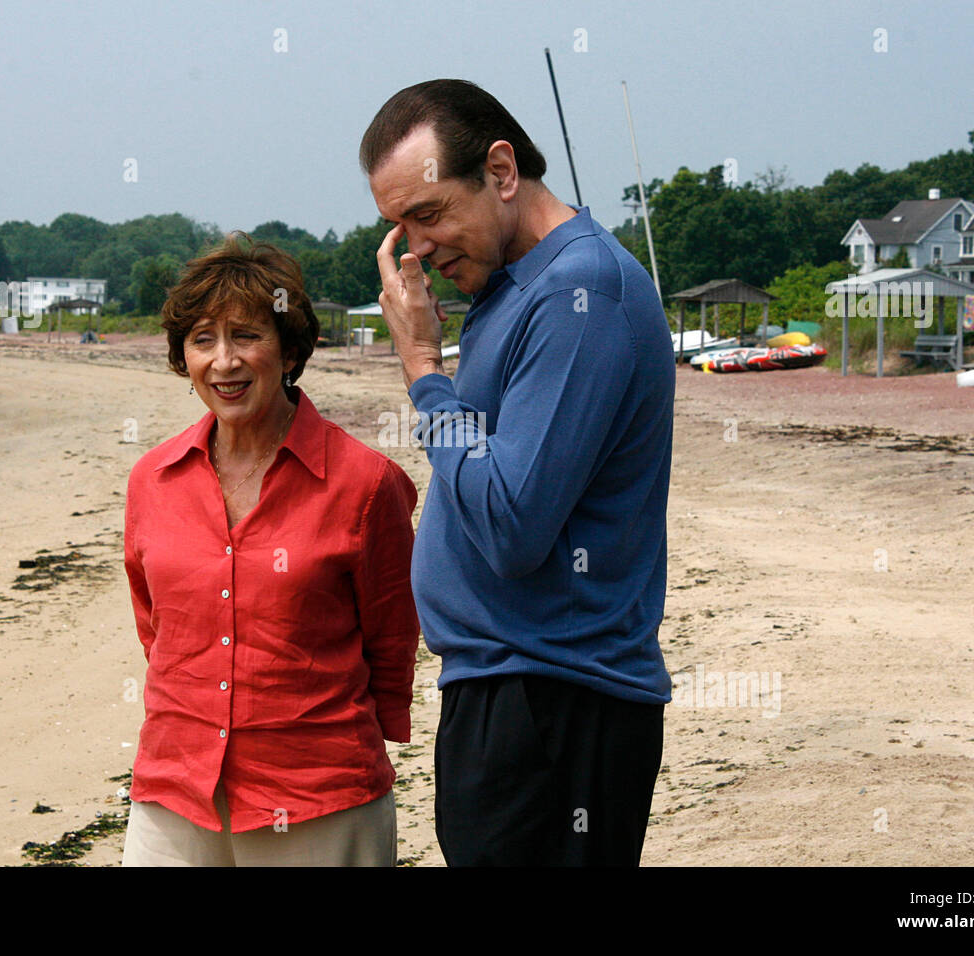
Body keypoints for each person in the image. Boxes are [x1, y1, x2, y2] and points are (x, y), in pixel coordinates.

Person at [360, 79, 674, 866]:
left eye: (427, 215)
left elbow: (510, 524)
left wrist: (426, 370)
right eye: (399, 228)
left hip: (555, 698)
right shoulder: (521, 291)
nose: (418, 248)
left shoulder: (580, 292)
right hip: (516, 689)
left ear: (502, 171)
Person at [120, 233, 419, 866]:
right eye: (203, 340)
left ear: (289, 351)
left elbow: (392, 641)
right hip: (174, 787)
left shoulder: (365, 484)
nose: (224, 362)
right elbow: (159, 631)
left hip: (319, 796)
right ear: (183, 359)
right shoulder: (152, 480)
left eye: (247, 336)